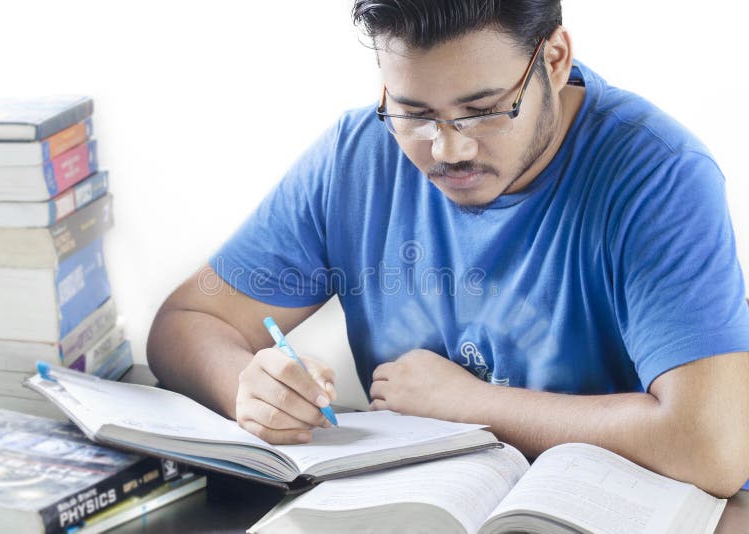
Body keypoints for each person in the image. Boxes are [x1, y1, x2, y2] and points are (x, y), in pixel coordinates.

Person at [147, 0, 749, 497]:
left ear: (556, 59)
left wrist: (475, 405)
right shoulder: (357, 158)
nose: (448, 150)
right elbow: (187, 322)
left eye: (484, 112)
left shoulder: (659, 176)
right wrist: (248, 388)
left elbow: (712, 444)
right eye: (414, 113)